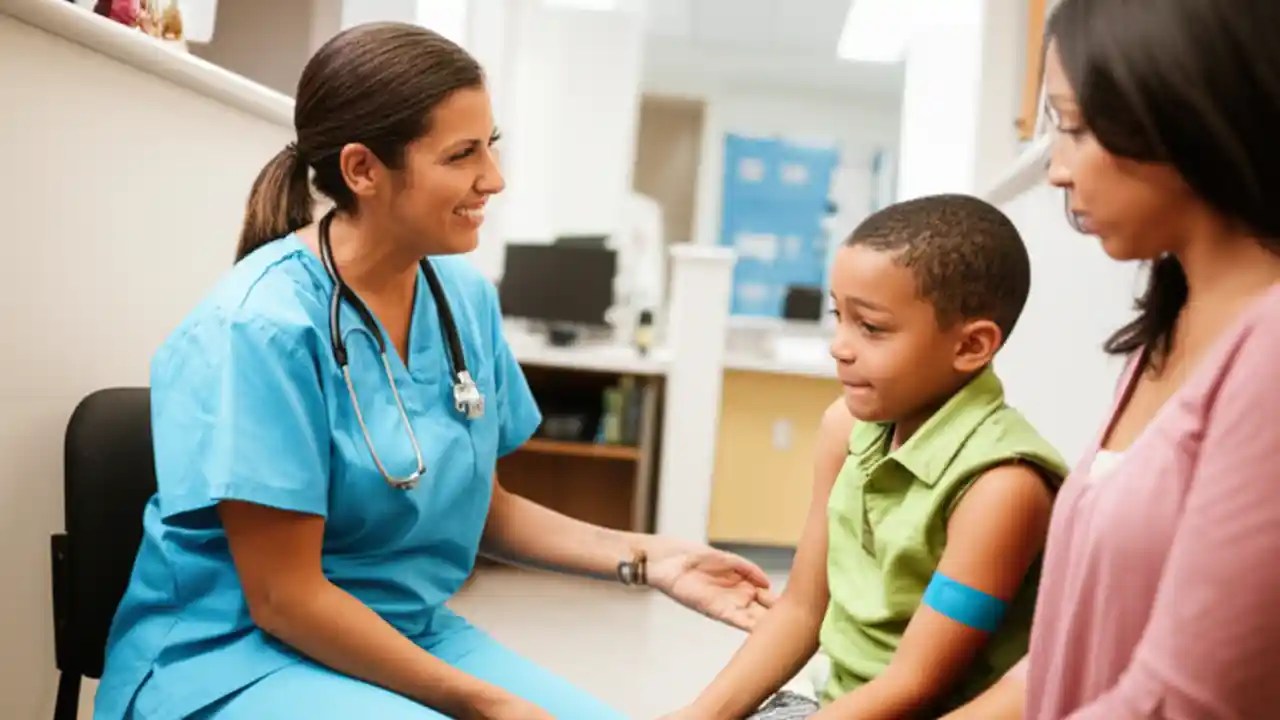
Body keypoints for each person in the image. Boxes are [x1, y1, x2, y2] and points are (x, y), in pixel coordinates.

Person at [93, 22, 776, 720]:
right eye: (462, 154)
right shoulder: (260, 327)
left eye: (492, 145)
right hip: (235, 656)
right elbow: (284, 599)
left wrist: (647, 559)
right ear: (363, 170)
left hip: (400, 631)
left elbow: (484, 506)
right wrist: (486, 705)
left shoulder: (461, 296)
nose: (494, 178)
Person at [943, 1, 1280, 718]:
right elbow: (1071, 653)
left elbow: (1185, 701)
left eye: (1075, 127)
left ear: (1182, 113)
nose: (1058, 171)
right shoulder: (1168, 329)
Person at [664, 194, 1069, 720]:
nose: (840, 346)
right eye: (839, 316)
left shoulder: (1002, 488)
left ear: (971, 347)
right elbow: (803, 610)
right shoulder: (847, 428)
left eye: (871, 328)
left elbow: (913, 684)